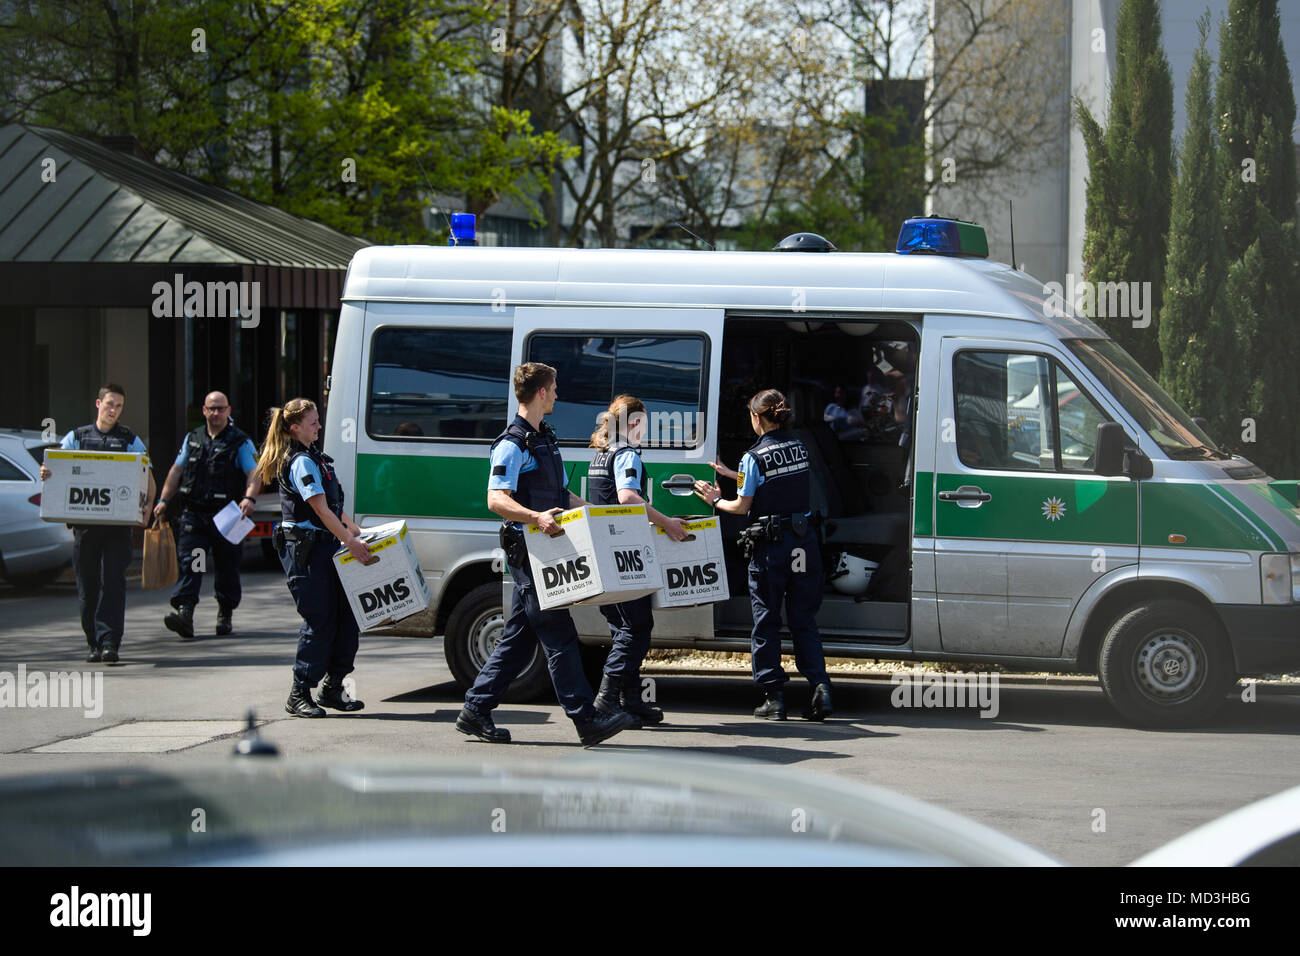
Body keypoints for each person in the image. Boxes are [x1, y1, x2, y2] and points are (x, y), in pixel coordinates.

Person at [456, 363, 635, 747]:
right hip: (531, 554)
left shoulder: (543, 439)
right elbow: (496, 499)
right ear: (540, 393)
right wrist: (536, 517)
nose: (557, 394)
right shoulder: (513, 443)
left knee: (519, 638)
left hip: (546, 549)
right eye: (553, 388)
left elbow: (563, 497)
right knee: (559, 634)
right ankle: (586, 719)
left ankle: (475, 709)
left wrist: (594, 516)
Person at [694, 388, 833, 721]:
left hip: (771, 549)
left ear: (756, 417)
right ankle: (821, 689)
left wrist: (714, 499)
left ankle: (774, 698)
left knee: (766, 623)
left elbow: (742, 507)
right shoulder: (799, 446)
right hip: (804, 544)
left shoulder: (753, 457)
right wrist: (735, 476)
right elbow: (779, 481)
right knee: (804, 622)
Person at [256, 398, 372, 718]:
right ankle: (299, 692)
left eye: (318, 421)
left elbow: (332, 507)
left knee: (347, 618)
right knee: (319, 620)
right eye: (313, 422)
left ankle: (333, 687)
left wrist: (354, 530)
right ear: (295, 428)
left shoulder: (314, 457)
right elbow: (319, 509)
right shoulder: (300, 461)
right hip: (306, 550)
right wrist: (350, 541)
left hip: (326, 547)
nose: (319, 427)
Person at [587, 395, 689, 727]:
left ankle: (630, 701)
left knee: (622, 628)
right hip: (623, 553)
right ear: (633, 423)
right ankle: (605, 700)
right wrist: (667, 523)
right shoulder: (626, 454)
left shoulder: (602, 454)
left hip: (604, 549)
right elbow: (628, 497)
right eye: (644, 423)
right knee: (637, 627)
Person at [39, 384, 155, 664]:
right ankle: (93, 641)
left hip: (118, 527)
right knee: (88, 586)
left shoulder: (129, 439)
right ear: (98, 403)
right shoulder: (76, 437)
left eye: (119, 406)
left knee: (114, 582)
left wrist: (148, 508)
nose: (113, 410)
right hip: (85, 526)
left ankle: (110, 643)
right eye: (109, 404)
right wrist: (46, 473)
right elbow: (56, 468)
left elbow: (148, 474)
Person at [152, 391, 262, 639]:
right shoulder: (193, 438)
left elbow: (254, 473)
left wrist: (249, 497)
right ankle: (185, 613)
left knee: (226, 567)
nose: (216, 413)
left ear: (228, 410)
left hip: (227, 516)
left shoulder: (239, 441)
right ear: (203, 410)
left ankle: (225, 612)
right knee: (193, 563)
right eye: (211, 409)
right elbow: (176, 471)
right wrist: (162, 501)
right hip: (195, 515)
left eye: (220, 409)